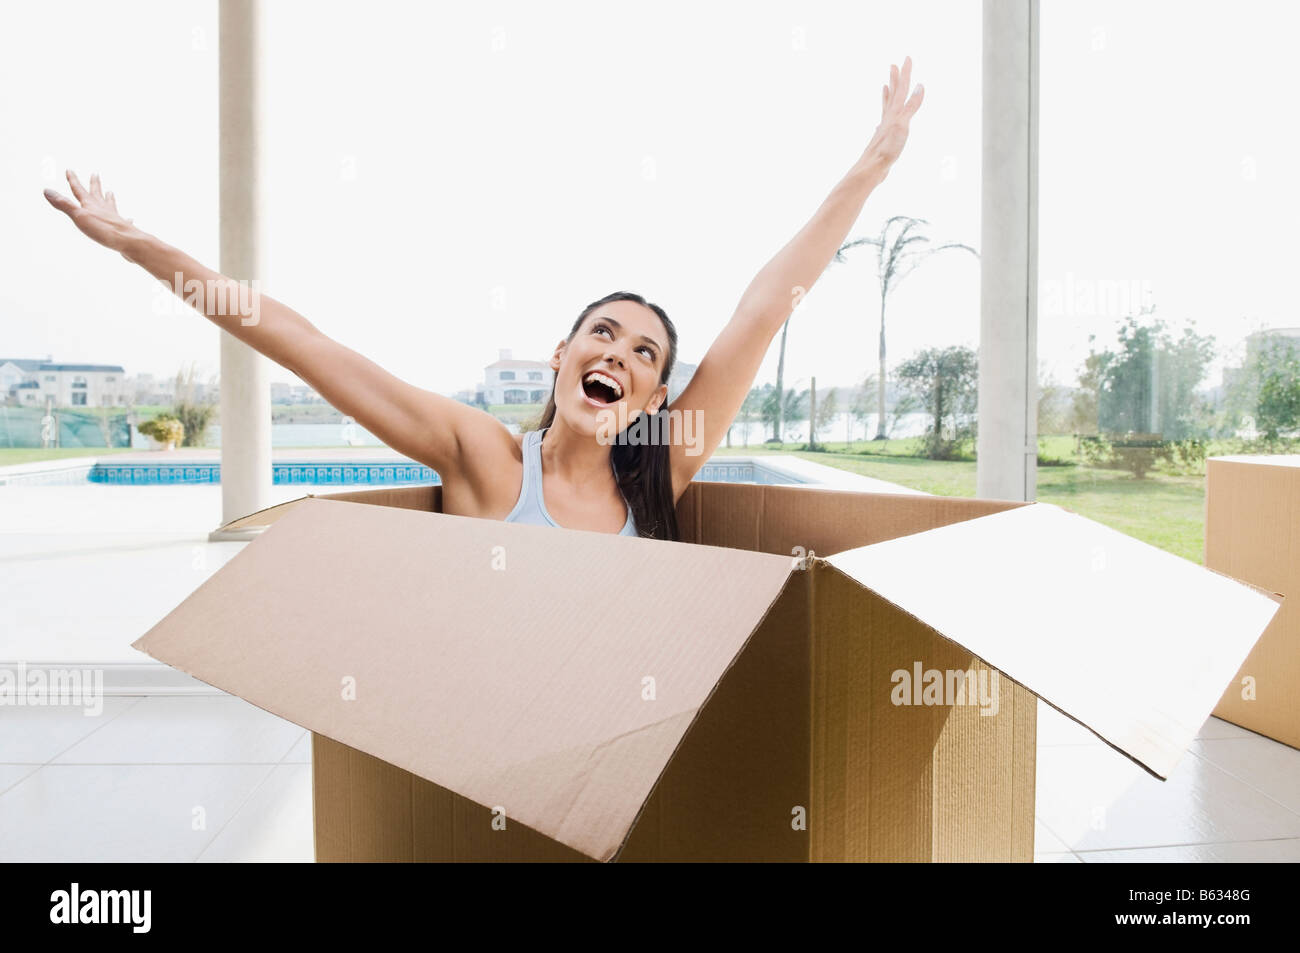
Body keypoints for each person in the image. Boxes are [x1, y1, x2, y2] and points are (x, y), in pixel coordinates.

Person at [44, 57, 924, 541]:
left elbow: (763, 309)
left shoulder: (662, 474)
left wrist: (871, 165)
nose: (618, 353)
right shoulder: (484, 460)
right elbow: (306, 344)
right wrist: (140, 247)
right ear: (561, 354)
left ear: (657, 399)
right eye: (602, 334)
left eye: (644, 352)